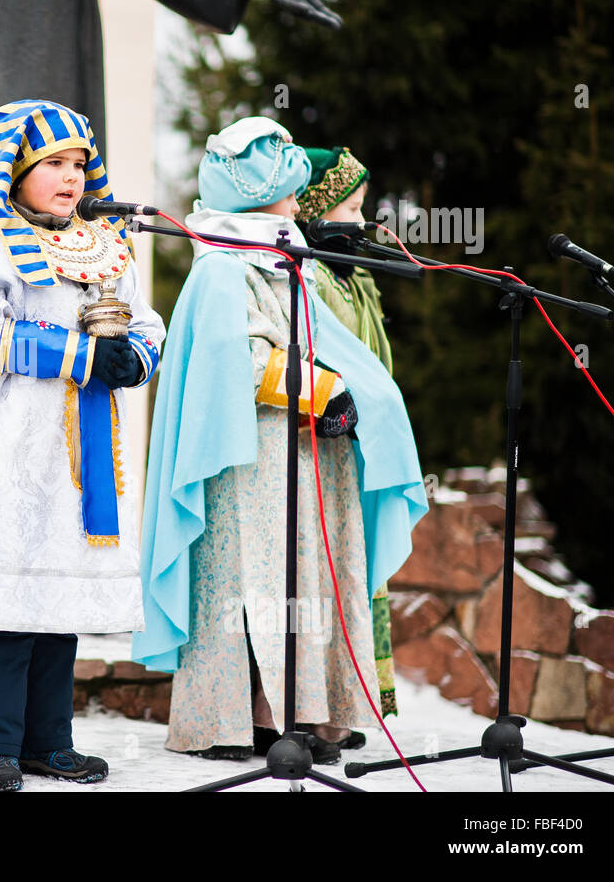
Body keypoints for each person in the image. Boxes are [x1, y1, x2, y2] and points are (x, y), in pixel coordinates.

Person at [0, 0, 343, 630]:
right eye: (64, 171)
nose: (74, 180)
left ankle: (35, 648)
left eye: (82, 170)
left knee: (49, 144)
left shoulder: (94, 236)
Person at [132, 118, 426, 762]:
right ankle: (241, 719)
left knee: (302, 586)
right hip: (247, 456)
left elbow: (324, 343)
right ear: (255, 197)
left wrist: (354, 394)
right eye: (289, 190)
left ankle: (303, 712)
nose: (299, 202)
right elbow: (236, 360)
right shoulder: (220, 269)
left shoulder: (283, 259)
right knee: (251, 582)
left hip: (302, 455)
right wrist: (324, 392)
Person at [0, 100, 166, 790]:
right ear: (15, 170)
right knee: (4, 597)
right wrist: (82, 356)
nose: (71, 176)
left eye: (79, 162)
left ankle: (47, 739)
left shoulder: (106, 241)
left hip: (83, 452)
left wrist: (133, 357)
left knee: (60, 597)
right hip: (8, 444)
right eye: (53, 163)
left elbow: (146, 320)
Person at [297, 146, 398, 720]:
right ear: (315, 210)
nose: (360, 225)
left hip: (364, 446)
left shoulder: (358, 281)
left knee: (360, 572)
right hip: (325, 442)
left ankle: (354, 706)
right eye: (349, 210)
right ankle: (324, 705)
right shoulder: (311, 278)